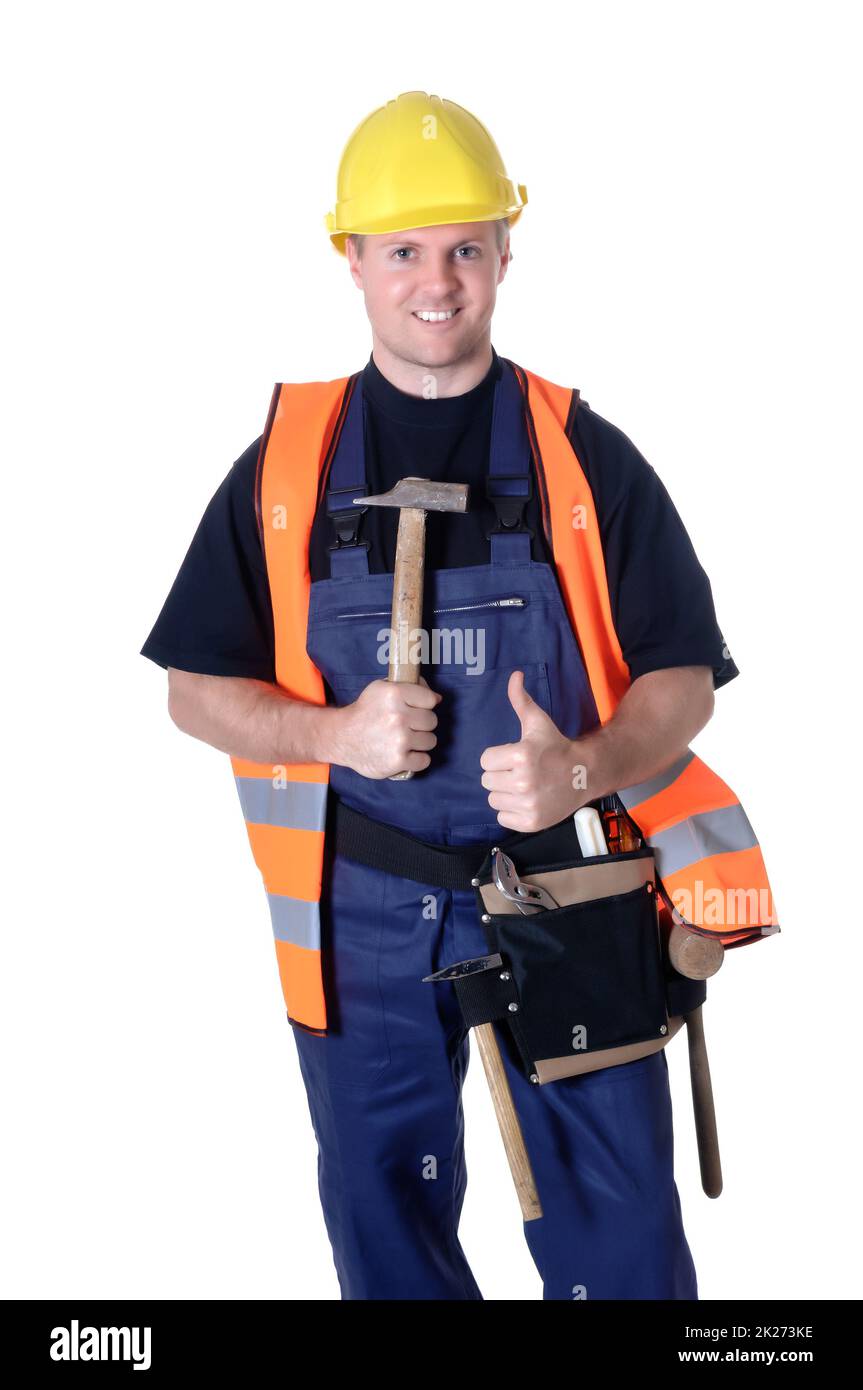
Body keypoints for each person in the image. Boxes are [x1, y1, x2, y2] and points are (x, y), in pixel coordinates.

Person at [141, 92, 749, 1301]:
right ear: (351, 260)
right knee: (385, 1224)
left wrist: (580, 767)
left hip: (567, 890)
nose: (438, 280)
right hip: (363, 908)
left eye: (465, 246)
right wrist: (332, 733)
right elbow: (195, 693)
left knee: (617, 1238)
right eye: (405, 250)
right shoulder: (285, 469)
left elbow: (682, 680)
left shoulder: (585, 456)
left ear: (504, 254)